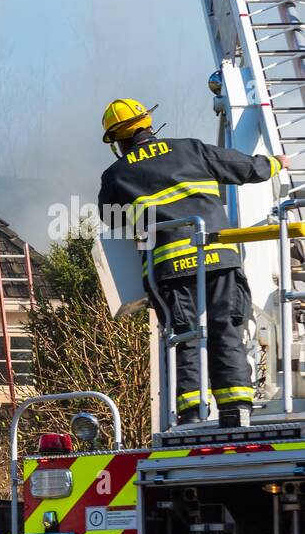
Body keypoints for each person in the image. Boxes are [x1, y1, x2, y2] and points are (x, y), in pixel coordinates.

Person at [98, 97, 289, 427]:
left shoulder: (115, 175)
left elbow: (110, 219)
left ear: (118, 142)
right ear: (148, 124)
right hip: (217, 257)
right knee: (226, 328)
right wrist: (275, 163)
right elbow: (246, 169)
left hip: (168, 270)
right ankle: (235, 411)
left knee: (185, 336)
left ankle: (190, 413)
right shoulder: (191, 149)